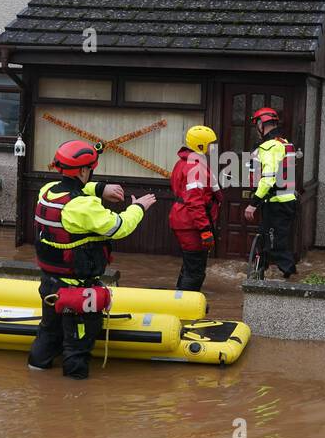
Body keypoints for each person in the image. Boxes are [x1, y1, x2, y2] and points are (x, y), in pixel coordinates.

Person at [28, 140, 157, 380]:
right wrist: (138, 207)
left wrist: (100, 189)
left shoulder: (47, 191)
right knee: (77, 348)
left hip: (50, 284)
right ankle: (74, 401)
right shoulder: (82, 207)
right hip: (78, 293)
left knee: (48, 334)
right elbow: (119, 227)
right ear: (83, 171)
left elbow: (74, 190)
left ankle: (36, 380)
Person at [243, 106, 299, 279]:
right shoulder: (285, 143)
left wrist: (253, 204)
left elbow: (268, 179)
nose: (256, 129)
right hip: (283, 200)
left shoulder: (269, 147)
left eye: (257, 125)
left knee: (276, 245)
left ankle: (291, 278)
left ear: (261, 124)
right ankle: (261, 270)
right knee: (267, 236)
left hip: (277, 203)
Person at [170, 125, 223, 292]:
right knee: (195, 270)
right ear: (201, 146)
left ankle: (178, 302)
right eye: (210, 144)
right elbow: (194, 201)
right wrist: (205, 230)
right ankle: (185, 310)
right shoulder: (195, 167)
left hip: (184, 220)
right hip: (190, 223)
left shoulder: (184, 162)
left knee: (189, 266)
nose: (213, 148)